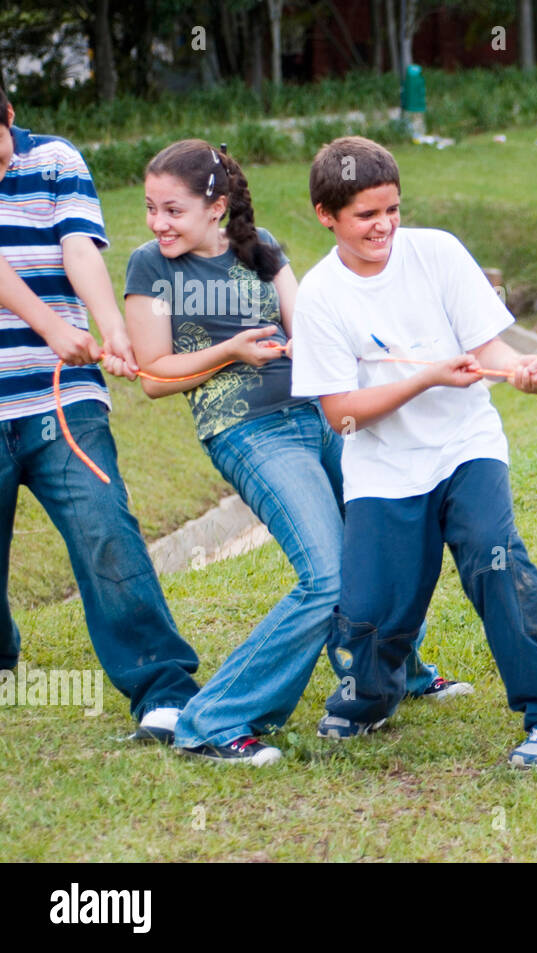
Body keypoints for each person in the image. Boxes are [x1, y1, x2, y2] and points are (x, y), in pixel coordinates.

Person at [122, 139, 469, 766]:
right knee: (326, 575)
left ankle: (397, 673)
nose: (157, 223)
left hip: (319, 416)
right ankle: (215, 720)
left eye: (171, 210)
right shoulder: (151, 267)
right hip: (248, 432)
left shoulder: (263, 247)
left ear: (215, 207)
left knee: (384, 535)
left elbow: (308, 324)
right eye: (151, 209)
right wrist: (233, 351)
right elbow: (153, 375)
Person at [289, 136, 537, 766]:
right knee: (376, 606)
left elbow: (490, 349)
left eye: (392, 209)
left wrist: (519, 368)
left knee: (496, 561)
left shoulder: (437, 253)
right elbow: (340, 414)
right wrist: (425, 377)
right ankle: (368, 700)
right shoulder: (320, 296)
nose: (385, 226)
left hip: (464, 446)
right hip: (380, 466)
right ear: (327, 215)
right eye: (366, 215)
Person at [0, 85, 201, 740]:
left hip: (63, 401)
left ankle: (163, 689)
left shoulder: (55, 160)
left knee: (104, 529)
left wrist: (111, 328)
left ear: (7, 118)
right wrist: (50, 327)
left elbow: (79, 248)